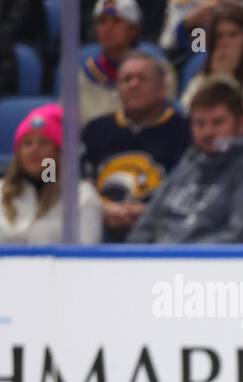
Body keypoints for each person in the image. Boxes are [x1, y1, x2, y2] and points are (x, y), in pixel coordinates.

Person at [128, 78, 243, 243]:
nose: (208, 132)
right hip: (165, 263)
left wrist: (178, 256)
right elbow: (146, 226)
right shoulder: (188, 164)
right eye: (200, 124)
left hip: (221, 266)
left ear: (242, 123)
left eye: (217, 122)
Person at [83, 51, 191, 242]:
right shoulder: (95, 130)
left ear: (162, 87)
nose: (134, 84)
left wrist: (152, 212)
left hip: (164, 235)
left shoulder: (185, 130)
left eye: (142, 78)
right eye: (126, 79)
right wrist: (101, 208)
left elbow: (192, 188)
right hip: (99, 230)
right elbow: (77, 184)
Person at [1, 104, 102, 244]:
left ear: (59, 152)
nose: (34, 150)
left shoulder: (81, 196)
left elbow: (85, 257)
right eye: (27, 143)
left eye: (44, 143)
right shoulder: (1, 192)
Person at [81, 0, 180, 125]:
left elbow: (164, 115)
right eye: (102, 22)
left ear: (133, 29)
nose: (108, 28)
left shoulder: (161, 70)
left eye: (116, 21)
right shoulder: (84, 76)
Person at [177, 3, 243, 114]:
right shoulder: (202, 77)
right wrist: (217, 76)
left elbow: (241, 119)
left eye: (233, 34)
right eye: (219, 36)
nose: (225, 42)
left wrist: (224, 76)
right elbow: (186, 111)